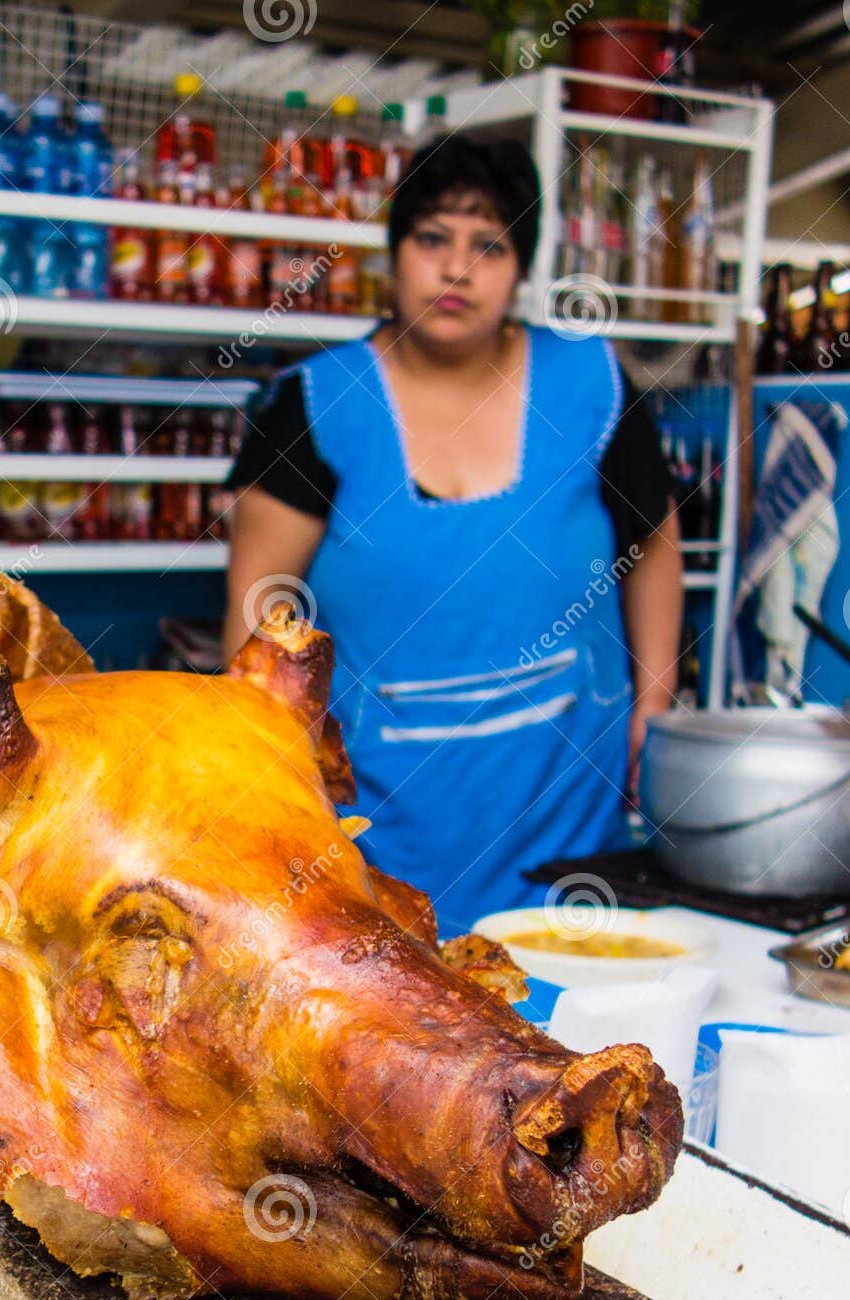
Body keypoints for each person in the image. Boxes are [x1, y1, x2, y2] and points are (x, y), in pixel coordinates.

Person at [224, 135, 682, 936]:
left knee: (578, 1031)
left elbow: (653, 547)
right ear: (394, 256)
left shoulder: (593, 385)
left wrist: (655, 704)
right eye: (433, 239)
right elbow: (257, 623)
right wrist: (269, 792)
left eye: (490, 246)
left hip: (569, 817)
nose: (458, 270)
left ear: (520, 270)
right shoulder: (317, 406)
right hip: (382, 828)